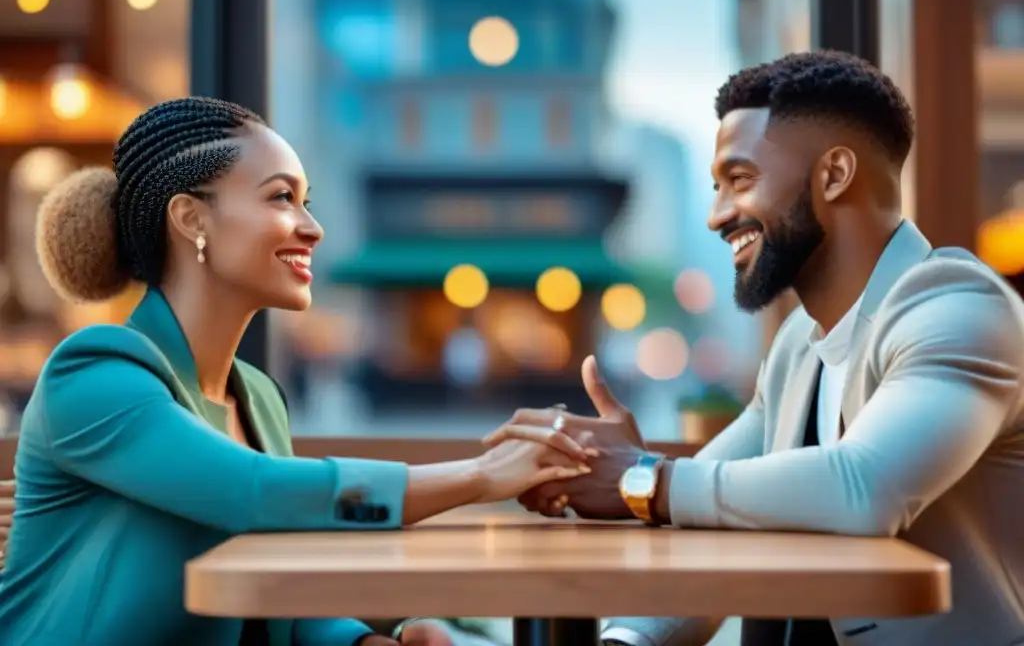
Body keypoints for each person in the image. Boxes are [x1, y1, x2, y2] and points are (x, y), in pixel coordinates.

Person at [459, 51, 1024, 646]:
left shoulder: (959, 309)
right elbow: (709, 516)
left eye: (740, 180)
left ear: (834, 174)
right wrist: (626, 640)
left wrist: (642, 479)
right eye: (715, 188)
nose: (716, 216)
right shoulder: (798, 345)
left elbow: (864, 490)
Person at [0, 97, 593, 646]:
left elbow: (273, 585)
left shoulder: (258, 397)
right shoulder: (94, 377)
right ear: (191, 218)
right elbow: (255, 492)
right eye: (281, 197)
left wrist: (365, 641)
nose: (312, 227)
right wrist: (481, 475)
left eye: (306, 202)